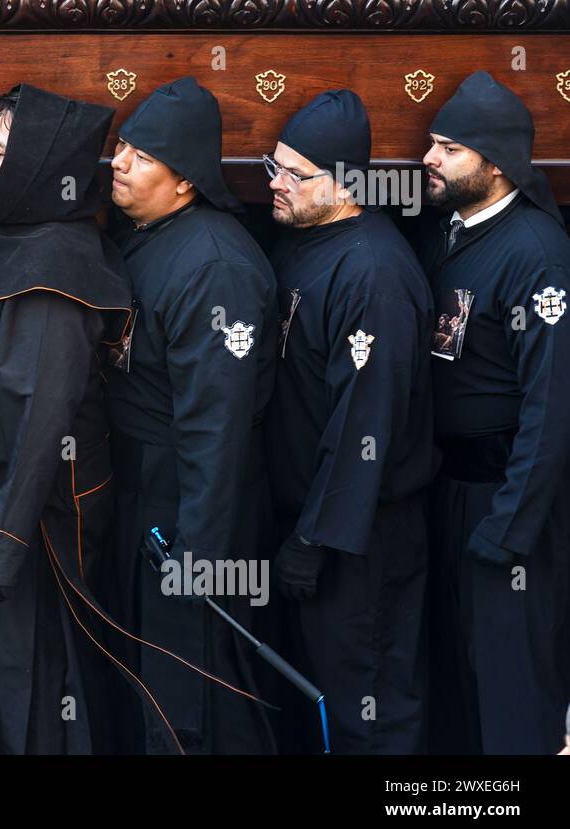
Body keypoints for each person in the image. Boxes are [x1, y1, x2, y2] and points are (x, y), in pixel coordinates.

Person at [0, 85, 133, 754]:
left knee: (41, 673)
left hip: (39, 509)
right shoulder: (7, 229)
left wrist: (8, 537)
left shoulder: (53, 269)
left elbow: (43, 416)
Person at [105, 76, 278, 754]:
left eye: (142, 156)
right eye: (121, 146)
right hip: (144, 487)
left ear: (186, 182)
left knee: (188, 692)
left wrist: (196, 558)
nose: (119, 162)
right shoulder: (150, 234)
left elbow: (216, 425)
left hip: (188, 505)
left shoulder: (214, 266)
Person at [264, 89, 435, 753]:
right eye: (271, 166)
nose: (275, 184)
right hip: (316, 523)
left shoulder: (374, 274)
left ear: (345, 185)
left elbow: (366, 420)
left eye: (293, 174)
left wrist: (316, 540)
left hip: (360, 539)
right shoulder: (306, 239)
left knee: (370, 710)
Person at [418, 71, 570, 754]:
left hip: (510, 504)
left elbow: (553, 400)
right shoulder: (450, 233)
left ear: (497, 163)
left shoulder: (536, 253)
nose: (428, 159)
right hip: (452, 495)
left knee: (511, 689)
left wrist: (510, 526)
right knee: (459, 684)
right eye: (433, 144)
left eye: (449, 148)